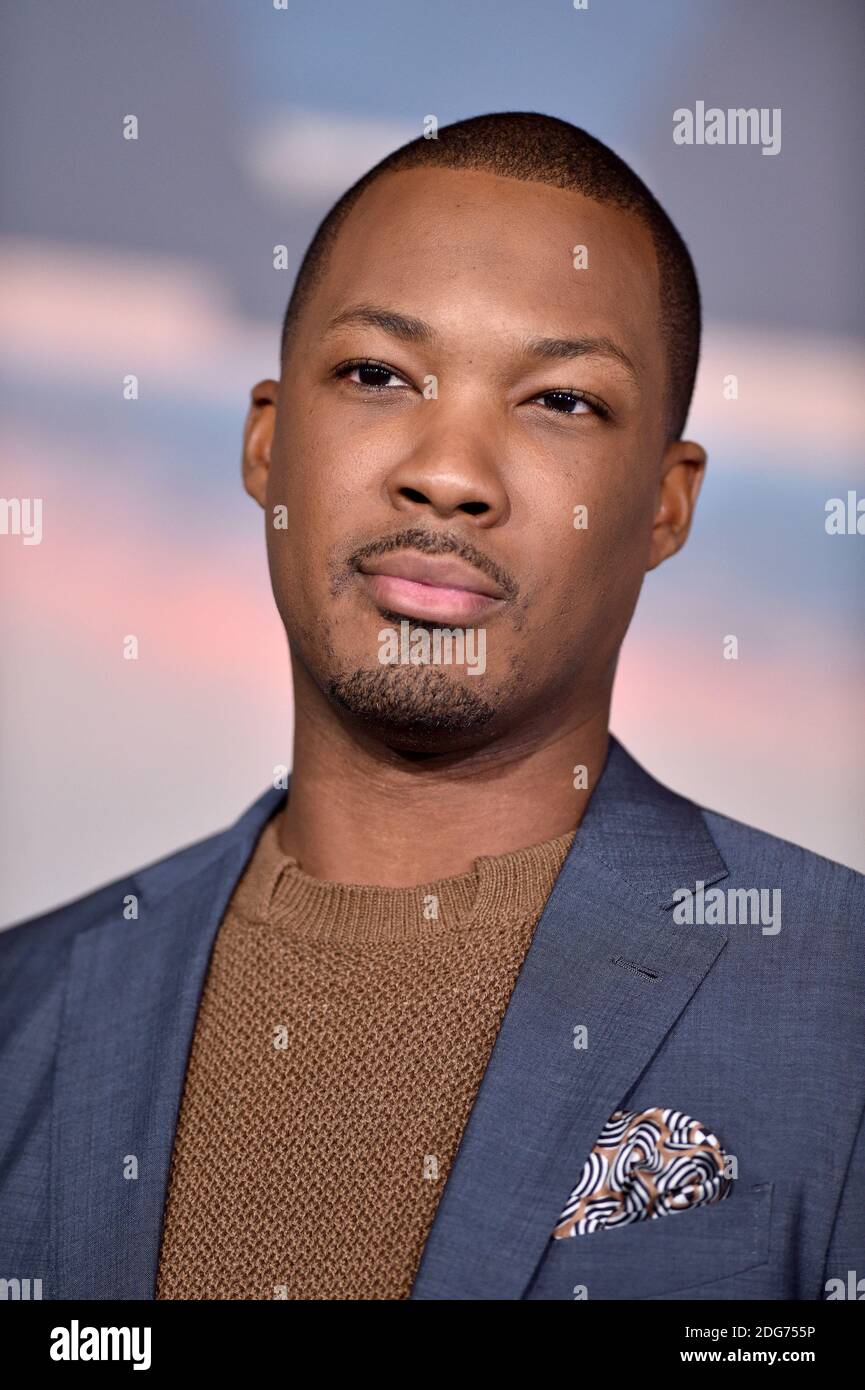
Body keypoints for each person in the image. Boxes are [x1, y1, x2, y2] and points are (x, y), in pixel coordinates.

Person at [1, 113, 862, 1302]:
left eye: (560, 400)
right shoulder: (23, 1010)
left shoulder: (837, 1003)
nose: (449, 473)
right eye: (377, 375)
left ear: (665, 506)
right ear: (265, 441)